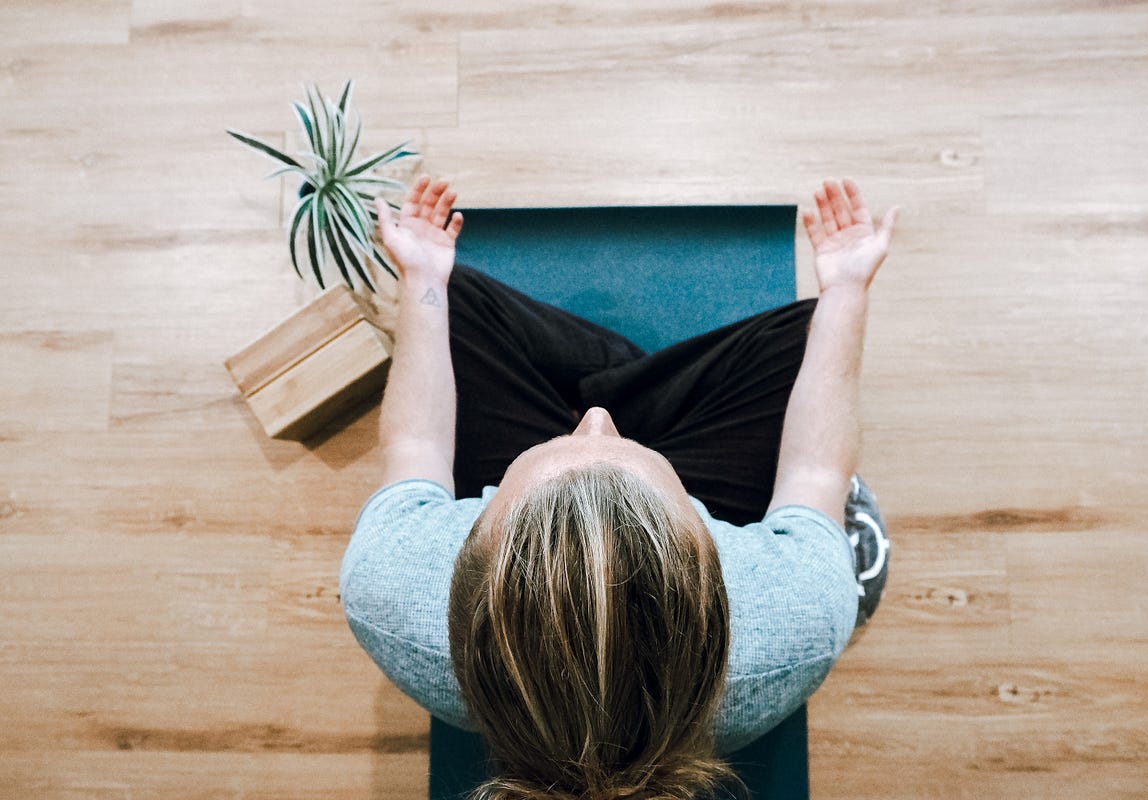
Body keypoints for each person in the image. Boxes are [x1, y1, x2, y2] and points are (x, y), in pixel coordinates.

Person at [340, 176, 898, 800]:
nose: (598, 422)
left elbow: (416, 447)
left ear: (464, 548)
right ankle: (638, 378)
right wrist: (847, 287)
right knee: (805, 336)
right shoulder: (793, 618)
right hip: (741, 510)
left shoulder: (390, 587)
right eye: (628, 452)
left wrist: (421, 278)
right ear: (714, 556)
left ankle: (618, 371)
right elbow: (816, 475)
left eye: (567, 443)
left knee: (456, 297)